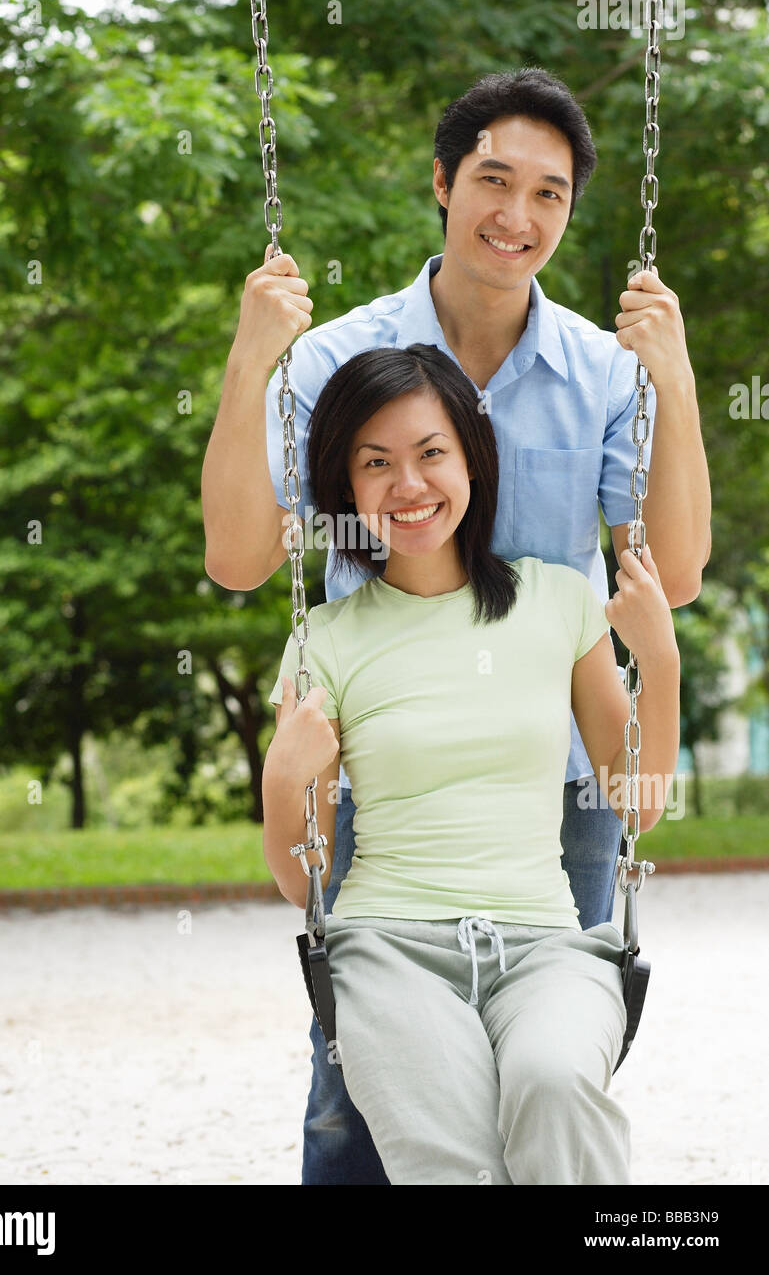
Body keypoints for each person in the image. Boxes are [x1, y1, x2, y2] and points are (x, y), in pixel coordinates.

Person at [201, 66, 711, 1184]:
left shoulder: (599, 368)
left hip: (553, 774)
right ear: (441, 182)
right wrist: (252, 358)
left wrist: (668, 375)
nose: (515, 217)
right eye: (491, 179)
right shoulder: (339, 357)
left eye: (549, 193)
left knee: (546, 1068)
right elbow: (241, 558)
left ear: (570, 209)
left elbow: (667, 575)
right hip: (376, 752)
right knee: (357, 1096)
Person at [261, 342, 681, 1185]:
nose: (407, 487)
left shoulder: (557, 601)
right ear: (346, 487)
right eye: (374, 463)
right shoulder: (325, 642)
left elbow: (632, 806)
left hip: (544, 947)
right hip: (388, 950)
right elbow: (302, 879)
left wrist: (659, 664)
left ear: (472, 460)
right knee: (456, 1157)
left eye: (430, 455)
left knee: (555, 1081)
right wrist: (281, 777)